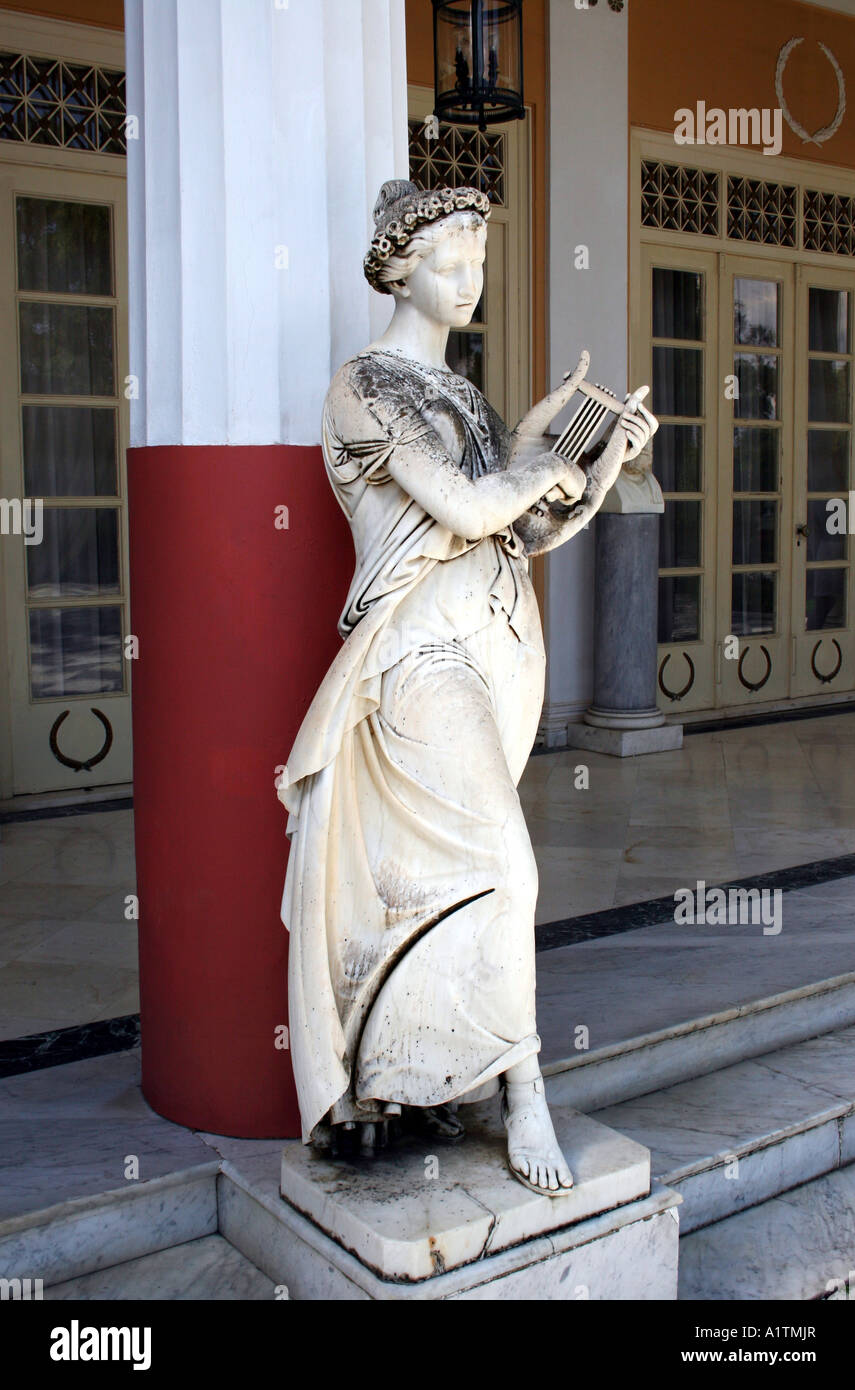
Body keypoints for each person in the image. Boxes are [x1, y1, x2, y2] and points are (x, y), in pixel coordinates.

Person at [277, 179, 657, 1196]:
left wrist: (593, 464)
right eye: (451, 256)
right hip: (414, 655)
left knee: (443, 882)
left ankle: (420, 1069)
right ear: (399, 265)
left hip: (492, 651)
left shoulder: (465, 398)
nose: (470, 277)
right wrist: (535, 465)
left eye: (480, 258)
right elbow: (464, 502)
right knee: (503, 859)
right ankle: (520, 1086)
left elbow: (521, 530)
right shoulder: (366, 385)